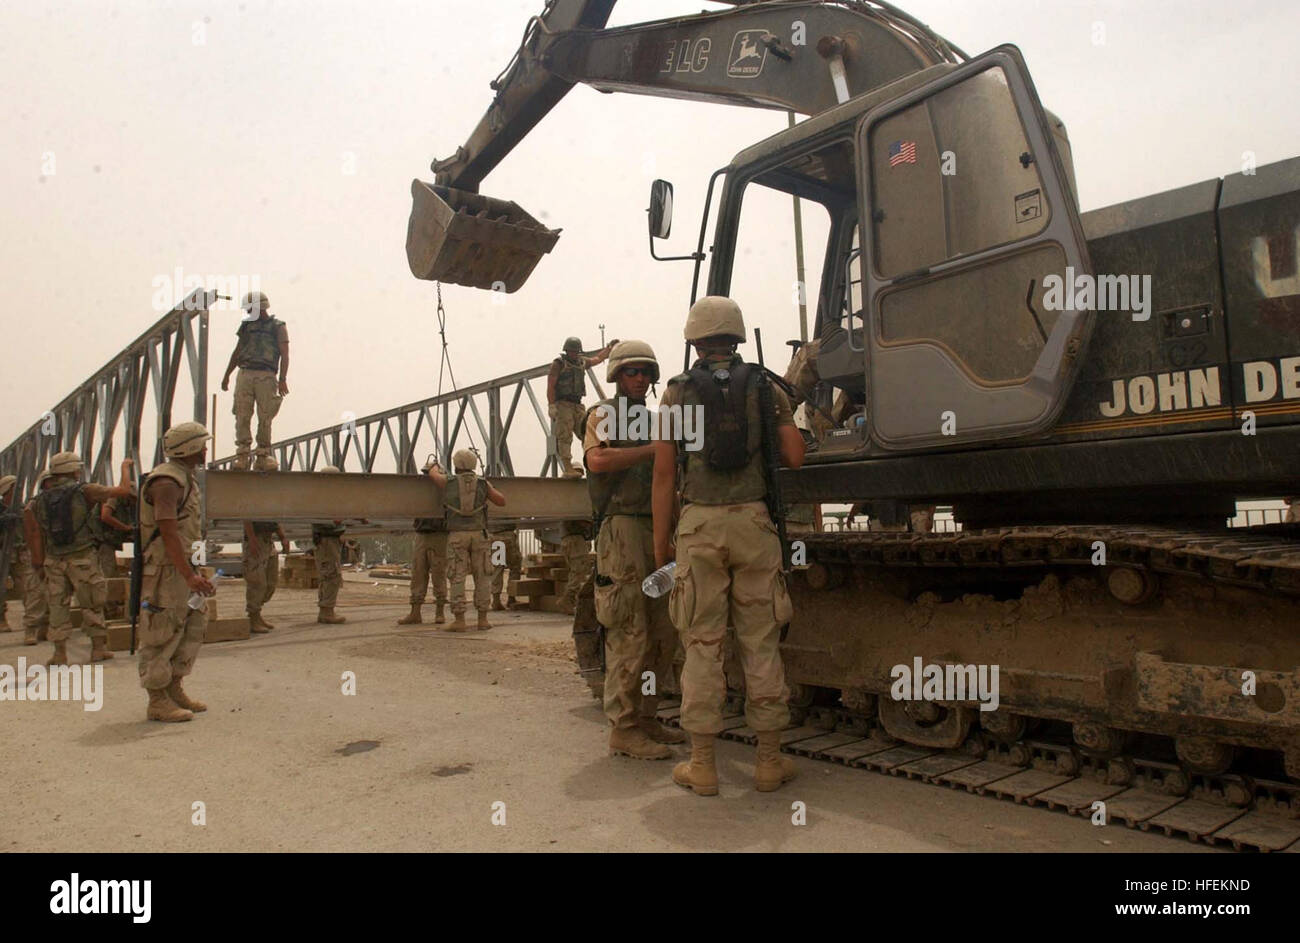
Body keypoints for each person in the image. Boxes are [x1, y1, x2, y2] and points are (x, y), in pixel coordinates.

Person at [652, 296, 806, 796]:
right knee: (760, 642)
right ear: (738, 337)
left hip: (699, 528)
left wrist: (663, 546)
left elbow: (663, 471)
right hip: (754, 523)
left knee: (701, 644)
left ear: (693, 340)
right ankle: (767, 763)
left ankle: (703, 766)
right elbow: (795, 456)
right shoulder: (764, 387)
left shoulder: (676, 394)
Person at [583, 339, 684, 759]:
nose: (640, 378)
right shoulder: (602, 415)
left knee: (662, 632)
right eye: (631, 372)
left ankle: (647, 718)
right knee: (629, 630)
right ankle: (623, 728)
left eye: (645, 372)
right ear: (617, 376)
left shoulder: (661, 419)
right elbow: (597, 462)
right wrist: (652, 450)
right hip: (621, 531)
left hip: (657, 528)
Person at [136, 422, 214, 722]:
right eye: (201, 444)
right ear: (189, 448)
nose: (205, 449)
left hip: (185, 567)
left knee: (192, 626)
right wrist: (187, 574)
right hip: (168, 571)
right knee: (162, 631)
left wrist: (198, 570)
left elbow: (189, 531)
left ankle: (174, 687)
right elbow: (168, 532)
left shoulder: (187, 479)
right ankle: (157, 699)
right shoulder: (166, 482)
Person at [28, 452, 135, 666]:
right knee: (92, 603)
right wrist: (125, 467)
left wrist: (38, 564)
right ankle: (98, 649)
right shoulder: (85, 491)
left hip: (54, 560)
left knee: (58, 605)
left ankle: (59, 654)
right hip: (82, 557)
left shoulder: (38, 501)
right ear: (73, 470)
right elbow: (122, 491)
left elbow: (34, 533)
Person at [428, 450, 505, 632]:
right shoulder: (482, 484)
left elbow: (433, 475)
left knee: (457, 576)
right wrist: (488, 487)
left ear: (456, 466)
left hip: (457, 535)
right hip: (479, 535)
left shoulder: (448, 482)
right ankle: (483, 619)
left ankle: (460, 619)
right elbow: (501, 501)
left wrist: (434, 466)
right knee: (482, 576)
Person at [220, 291, 289, 471]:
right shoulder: (247, 326)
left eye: (251, 308)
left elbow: (284, 354)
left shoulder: (278, 326)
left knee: (265, 416)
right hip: (246, 373)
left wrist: (282, 379)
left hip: (266, 375)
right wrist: (227, 374)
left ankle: (262, 455)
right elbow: (237, 352)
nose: (248, 311)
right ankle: (243, 455)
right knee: (242, 414)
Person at [548, 336, 617, 479]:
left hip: (577, 404)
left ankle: (592, 465)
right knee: (565, 436)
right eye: (571, 351)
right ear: (566, 351)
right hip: (563, 404)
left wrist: (608, 349)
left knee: (586, 433)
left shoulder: (581, 362)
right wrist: (551, 404)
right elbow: (551, 385)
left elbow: (597, 359)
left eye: (575, 351)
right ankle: (568, 467)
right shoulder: (559, 364)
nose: (573, 353)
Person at [398, 458, 450, 626]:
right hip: (422, 535)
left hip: (439, 536)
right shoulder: (419, 490)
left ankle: (439, 612)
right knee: (418, 575)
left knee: (438, 574)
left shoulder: (447, 487)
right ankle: (415, 612)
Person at [312, 465, 347, 624]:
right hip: (326, 540)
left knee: (328, 575)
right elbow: (328, 519)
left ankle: (326, 610)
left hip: (329, 540)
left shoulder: (324, 496)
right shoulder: (321, 498)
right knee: (331, 575)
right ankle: (327, 611)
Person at [242, 519, 287, 633]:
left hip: (268, 540)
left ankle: (257, 613)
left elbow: (275, 518)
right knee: (257, 581)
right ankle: (253, 616)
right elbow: (246, 516)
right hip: (256, 538)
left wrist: (283, 537)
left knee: (271, 582)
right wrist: (251, 538)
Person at [557, 520, 592, 615]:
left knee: (576, 571)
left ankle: (570, 600)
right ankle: (567, 599)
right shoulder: (574, 512)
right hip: (575, 539)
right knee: (579, 571)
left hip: (570, 538)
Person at [488, 522, 521, 612]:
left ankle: (496, 600)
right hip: (508, 535)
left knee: (497, 568)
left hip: (493, 536)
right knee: (515, 567)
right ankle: (511, 597)